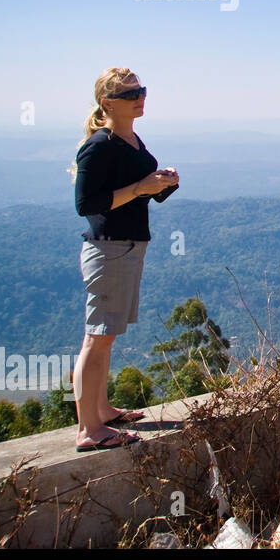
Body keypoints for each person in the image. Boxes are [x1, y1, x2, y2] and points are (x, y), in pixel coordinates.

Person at [68, 67, 179, 452]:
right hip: (108, 249)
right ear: (108, 103)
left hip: (129, 246)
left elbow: (140, 192)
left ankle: (102, 411)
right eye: (131, 93)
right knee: (96, 339)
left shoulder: (131, 139)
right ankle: (88, 429)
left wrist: (162, 184)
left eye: (142, 90)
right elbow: (86, 204)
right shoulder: (98, 145)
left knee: (105, 337)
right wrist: (140, 187)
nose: (140, 97)